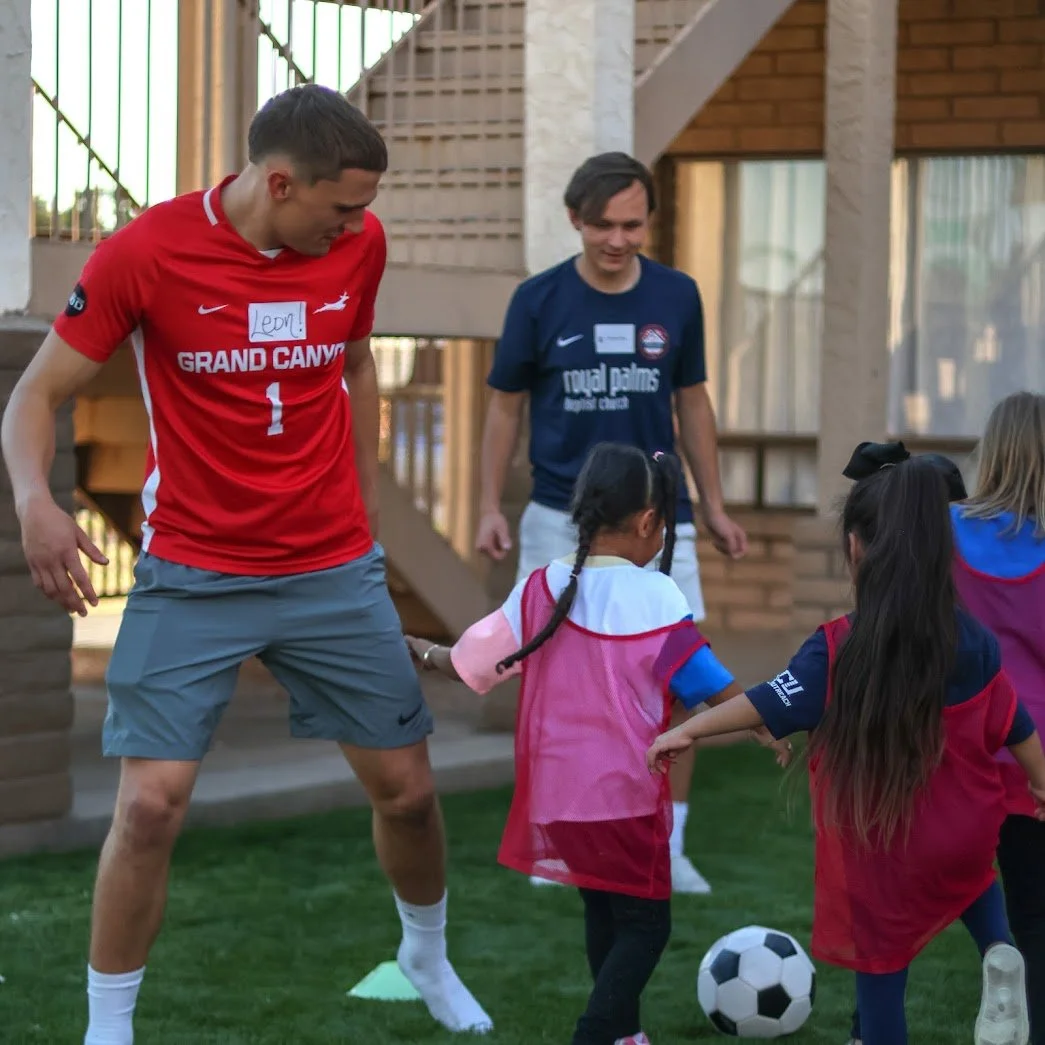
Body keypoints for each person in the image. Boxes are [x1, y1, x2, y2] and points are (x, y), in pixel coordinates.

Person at [0, 84, 491, 1043]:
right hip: (193, 570)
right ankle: (110, 1029)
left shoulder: (358, 247)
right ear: (277, 183)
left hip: (332, 568)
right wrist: (33, 502)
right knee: (148, 805)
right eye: (342, 207)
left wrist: (364, 507)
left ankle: (425, 955)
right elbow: (34, 392)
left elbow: (354, 363)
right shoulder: (146, 253)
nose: (359, 225)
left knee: (411, 789)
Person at [647, 443, 1045, 1045]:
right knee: (976, 883)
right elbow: (1014, 722)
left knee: (881, 975)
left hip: (884, 847)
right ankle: (998, 947)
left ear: (856, 549)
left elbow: (762, 701)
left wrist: (685, 728)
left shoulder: (836, 650)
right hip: (963, 833)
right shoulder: (972, 641)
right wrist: (1041, 780)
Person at [405, 443, 789, 1045]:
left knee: (603, 910)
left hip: (559, 798)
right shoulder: (656, 598)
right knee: (646, 926)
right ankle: (597, 1032)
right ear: (647, 524)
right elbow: (707, 681)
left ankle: (623, 1033)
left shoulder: (540, 588)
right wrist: (765, 722)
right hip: (624, 797)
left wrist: (424, 651)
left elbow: (471, 663)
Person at [474, 151, 747, 895]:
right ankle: (559, 844)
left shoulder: (676, 294)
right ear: (574, 219)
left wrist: (714, 505)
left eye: (632, 224)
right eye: (602, 225)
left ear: (647, 221)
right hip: (559, 515)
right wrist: (487, 504)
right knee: (559, 686)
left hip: (662, 522)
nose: (617, 239)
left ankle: (670, 844)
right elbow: (503, 405)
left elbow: (692, 399)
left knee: (673, 682)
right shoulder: (538, 300)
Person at [952, 392, 1045, 1045]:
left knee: (903, 905)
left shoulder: (939, 528)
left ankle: (864, 1028)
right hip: (1032, 759)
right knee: (1037, 919)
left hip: (950, 752)